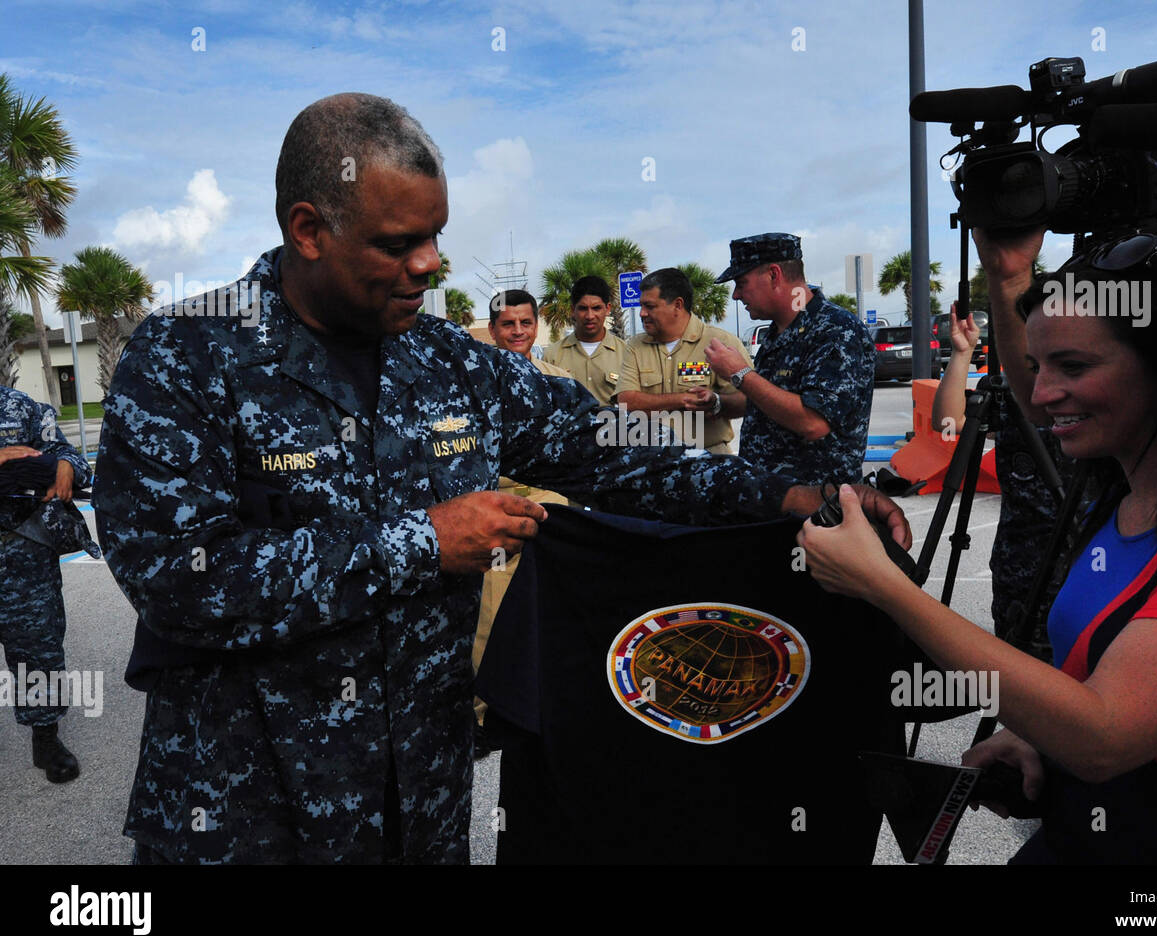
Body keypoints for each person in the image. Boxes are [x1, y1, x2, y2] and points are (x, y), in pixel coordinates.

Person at [92, 92, 911, 864]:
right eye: (398, 243)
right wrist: (423, 543)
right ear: (309, 228)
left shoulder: (450, 363)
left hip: (421, 805)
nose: (430, 265)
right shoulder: (187, 358)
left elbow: (607, 448)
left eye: (437, 237)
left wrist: (780, 495)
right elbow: (175, 579)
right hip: (247, 814)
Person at [800, 244, 1157, 864]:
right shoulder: (1118, 504)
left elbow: (1105, 734)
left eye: (1072, 365)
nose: (1040, 395)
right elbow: (1107, 687)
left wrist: (886, 587)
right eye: (1036, 366)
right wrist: (1038, 737)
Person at [931, 303, 1078, 660]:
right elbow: (948, 420)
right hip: (1020, 568)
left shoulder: (1089, 390)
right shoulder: (1010, 389)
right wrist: (962, 354)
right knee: (1022, 677)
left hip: (1084, 557)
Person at [475, 287, 574, 750]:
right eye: (507, 324)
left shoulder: (558, 379)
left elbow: (582, 446)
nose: (517, 332)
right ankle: (482, 714)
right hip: (492, 503)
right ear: (493, 329)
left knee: (546, 613)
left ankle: (542, 701)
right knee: (489, 614)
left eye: (525, 323)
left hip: (548, 504)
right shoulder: (469, 380)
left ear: (538, 326)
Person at [705, 233, 875, 486]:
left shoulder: (836, 330)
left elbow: (814, 422)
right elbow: (767, 404)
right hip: (772, 500)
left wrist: (740, 373)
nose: (736, 296)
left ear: (774, 275)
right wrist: (718, 403)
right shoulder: (778, 332)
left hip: (817, 509)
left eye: (741, 283)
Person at [0, 385, 97, 783]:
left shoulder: (19, 405)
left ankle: (46, 737)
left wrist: (67, 467)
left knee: (38, 646)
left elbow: (65, 451)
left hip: (21, 547)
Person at [615, 267, 750, 454]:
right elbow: (627, 402)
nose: (642, 313)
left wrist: (717, 402)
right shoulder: (636, 346)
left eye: (650, 306)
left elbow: (748, 401)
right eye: (641, 306)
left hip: (710, 458)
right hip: (652, 462)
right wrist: (683, 399)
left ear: (678, 305)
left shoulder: (720, 343)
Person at [542, 276, 626, 404]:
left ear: (607, 309)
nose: (590, 316)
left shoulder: (626, 354)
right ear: (572, 310)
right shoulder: (552, 355)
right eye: (583, 308)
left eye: (596, 308)